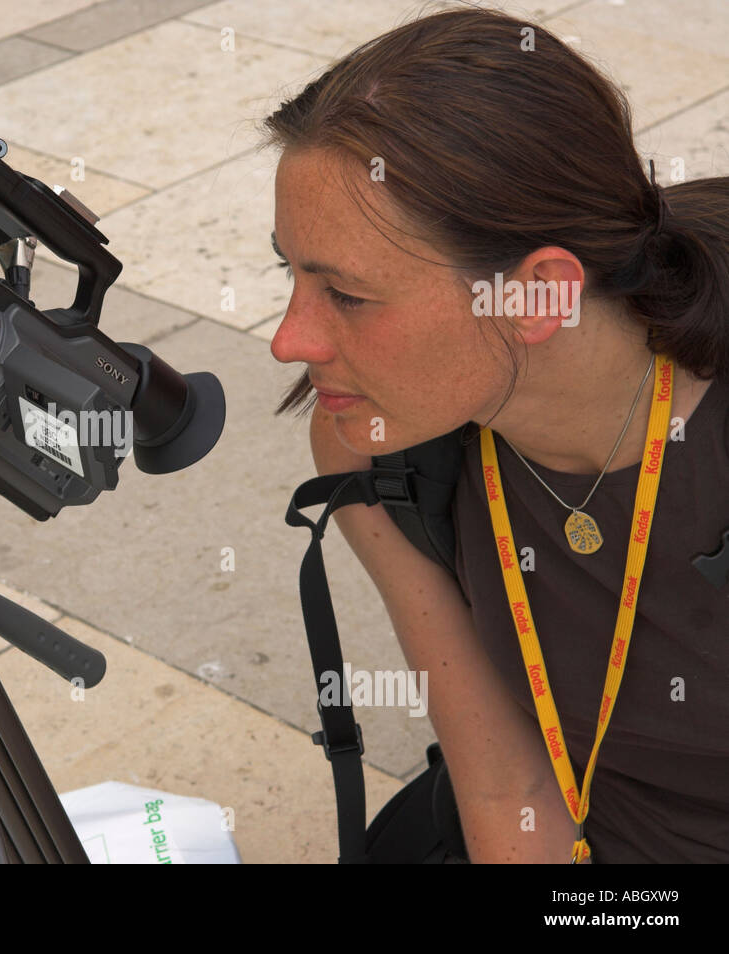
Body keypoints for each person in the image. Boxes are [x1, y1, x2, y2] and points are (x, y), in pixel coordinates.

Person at [264, 4, 729, 862]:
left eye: (348, 295)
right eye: (287, 271)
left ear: (539, 294)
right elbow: (506, 787)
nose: (288, 341)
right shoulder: (373, 449)